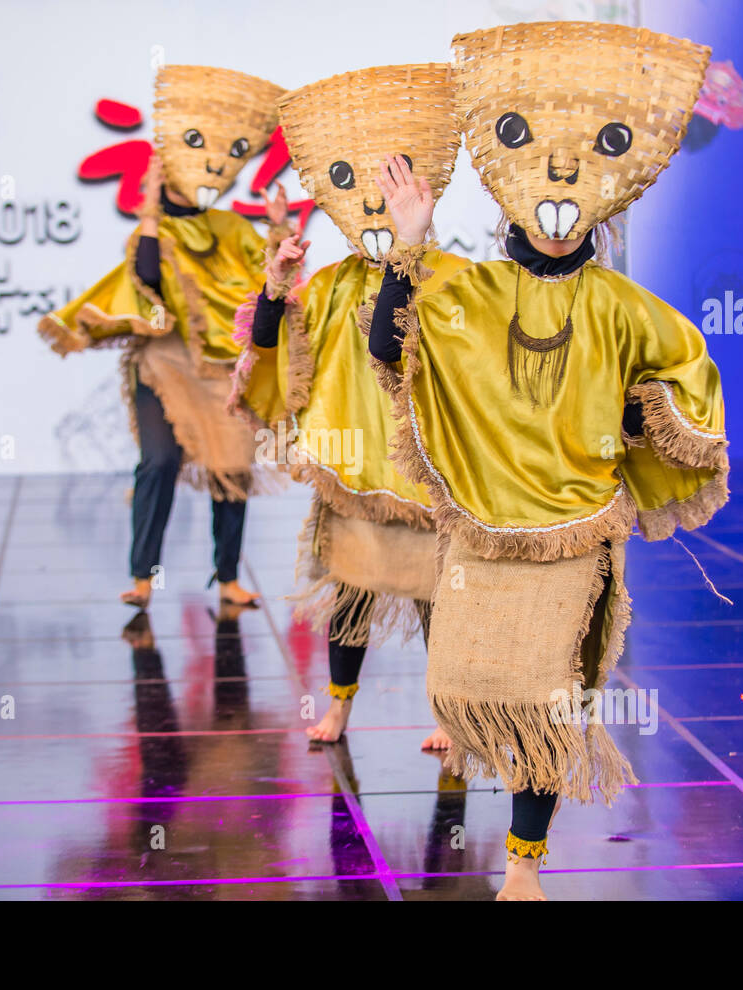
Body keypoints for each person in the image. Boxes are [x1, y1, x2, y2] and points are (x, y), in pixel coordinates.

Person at [367, 21, 724, 900]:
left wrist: (651, 413)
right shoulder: (468, 288)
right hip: (484, 537)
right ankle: (469, 758)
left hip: (576, 538)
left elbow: (690, 383)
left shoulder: (626, 306)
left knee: (549, 698)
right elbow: (390, 346)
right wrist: (409, 242)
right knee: (462, 682)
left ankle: (523, 866)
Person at [226, 65, 468, 746]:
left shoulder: (455, 282)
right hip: (352, 469)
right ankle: (338, 707)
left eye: (392, 188)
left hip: (424, 473)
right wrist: (275, 286)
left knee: (433, 599)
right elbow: (276, 348)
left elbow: (402, 347)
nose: (376, 206)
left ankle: (448, 716)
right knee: (351, 593)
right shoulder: (331, 283)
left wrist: (411, 248)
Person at [39, 64, 291, 609]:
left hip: (223, 370)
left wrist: (278, 230)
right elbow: (146, 282)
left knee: (231, 468)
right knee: (158, 462)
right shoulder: (149, 230)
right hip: (163, 364)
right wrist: (150, 214)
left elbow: (270, 284)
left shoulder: (230, 228)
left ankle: (227, 578)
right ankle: (141, 576)